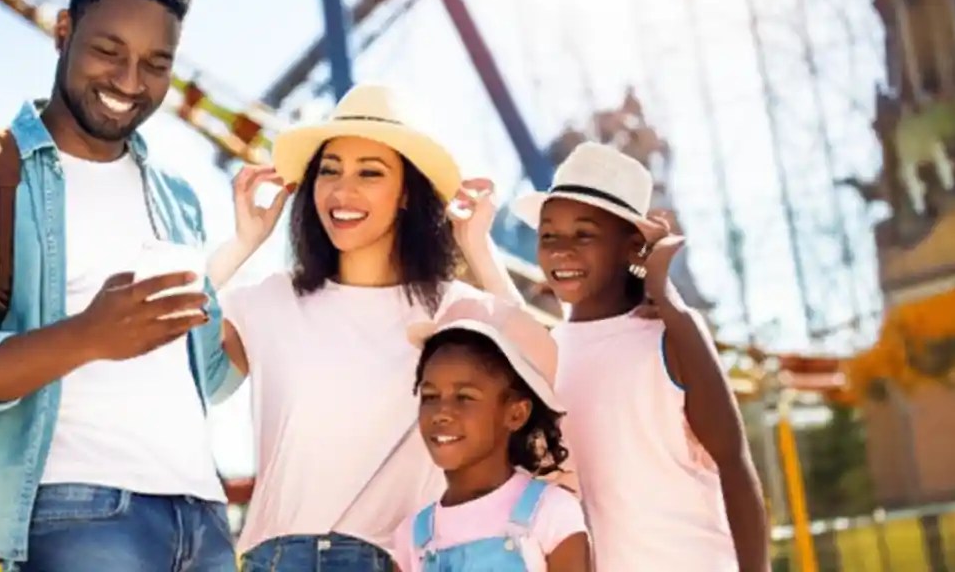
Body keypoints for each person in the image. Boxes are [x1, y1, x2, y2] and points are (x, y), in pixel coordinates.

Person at [0, 0, 241, 571]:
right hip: (78, 513)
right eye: (109, 52)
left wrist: (301, 276)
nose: (129, 82)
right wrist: (87, 336)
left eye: (156, 64)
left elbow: (212, 374)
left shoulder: (178, 197)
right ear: (64, 31)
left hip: (202, 516)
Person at [206, 83, 523, 571]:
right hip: (273, 559)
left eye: (370, 173)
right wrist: (241, 244)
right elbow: (177, 366)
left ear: (405, 195)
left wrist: (479, 248)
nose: (342, 191)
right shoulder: (270, 301)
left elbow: (541, 375)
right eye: (329, 172)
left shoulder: (451, 310)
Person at [512, 141, 770, 571]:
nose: (561, 250)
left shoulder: (671, 334)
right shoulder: (544, 353)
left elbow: (734, 464)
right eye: (548, 235)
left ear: (633, 247)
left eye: (584, 235)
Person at [393, 295, 591, 572]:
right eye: (430, 396)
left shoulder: (551, 513)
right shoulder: (413, 537)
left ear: (516, 414)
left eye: (465, 397)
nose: (442, 412)